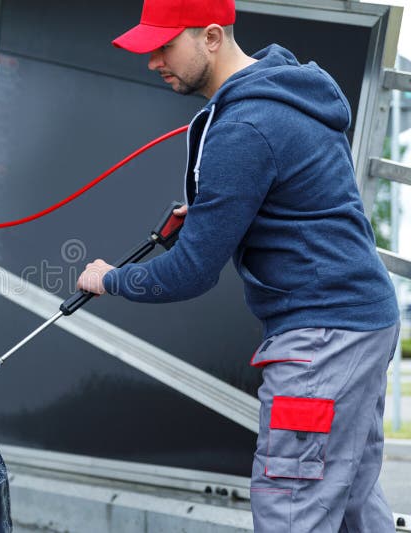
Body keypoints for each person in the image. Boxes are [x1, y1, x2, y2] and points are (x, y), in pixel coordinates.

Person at [76, 0, 401, 530]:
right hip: (363, 321)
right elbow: (299, 200)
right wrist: (219, 213)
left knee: (291, 507)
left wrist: (109, 279)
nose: (153, 61)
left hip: (323, 338)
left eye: (164, 46)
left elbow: (190, 274)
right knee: (351, 502)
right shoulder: (287, 91)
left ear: (210, 37)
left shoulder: (244, 126)